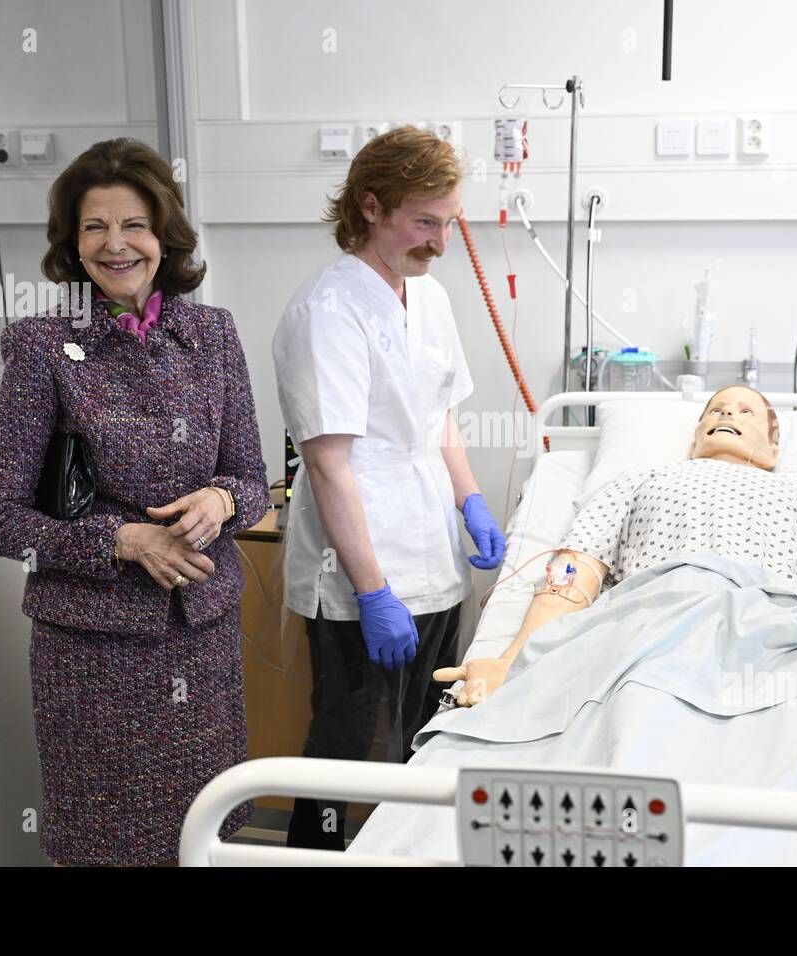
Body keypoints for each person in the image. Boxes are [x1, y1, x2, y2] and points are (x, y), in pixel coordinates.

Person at [0, 138, 269, 866]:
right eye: (94, 227)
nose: (115, 244)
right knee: (110, 845)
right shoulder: (44, 349)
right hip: (94, 655)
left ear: (164, 235)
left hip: (200, 639)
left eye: (133, 224)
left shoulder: (213, 335)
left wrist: (220, 502)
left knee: (203, 838)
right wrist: (121, 542)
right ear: (73, 245)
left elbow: (256, 480)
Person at [272, 126, 506, 848]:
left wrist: (469, 500)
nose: (441, 242)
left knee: (424, 740)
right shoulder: (327, 312)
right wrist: (372, 592)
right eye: (424, 223)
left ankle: (410, 857)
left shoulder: (426, 296)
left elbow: (440, 417)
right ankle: (312, 859)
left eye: (449, 222)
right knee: (344, 745)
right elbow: (330, 463)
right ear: (371, 207)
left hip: (432, 550)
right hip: (358, 572)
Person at [437, 385, 797, 706]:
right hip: (652, 633)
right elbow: (572, 575)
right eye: (717, 411)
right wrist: (511, 662)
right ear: (697, 435)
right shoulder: (637, 482)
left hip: (786, 639)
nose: (728, 415)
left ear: (774, 446)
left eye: (746, 412)